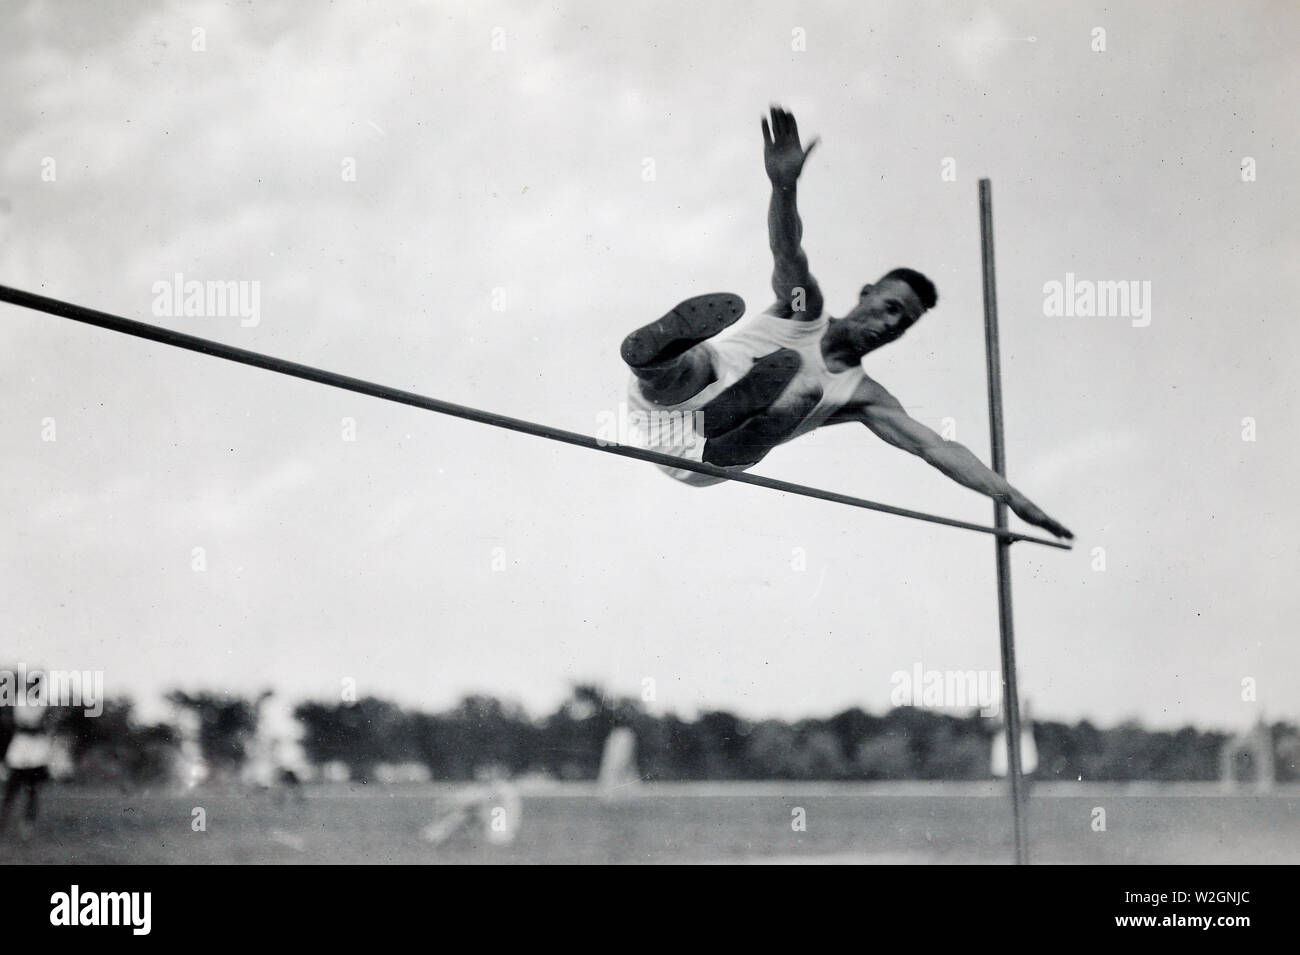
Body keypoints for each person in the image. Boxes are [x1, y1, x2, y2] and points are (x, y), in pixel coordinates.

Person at [621, 106, 1071, 540]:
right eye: (891, 306)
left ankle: (711, 404)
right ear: (866, 292)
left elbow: (935, 448)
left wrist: (1011, 497)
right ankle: (657, 358)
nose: (891, 323)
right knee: (701, 361)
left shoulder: (863, 395)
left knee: (803, 389)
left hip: (708, 456)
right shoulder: (801, 307)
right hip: (669, 406)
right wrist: (783, 187)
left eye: (904, 323)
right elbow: (787, 250)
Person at [1, 705, 53, 840]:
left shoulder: (44, 703)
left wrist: (34, 726)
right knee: (10, 792)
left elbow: (46, 724)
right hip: (19, 751)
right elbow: (10, 723)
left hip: (37, 752)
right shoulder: (18, 701)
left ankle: (27, 825)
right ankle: (3, 823)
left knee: (32, 791)